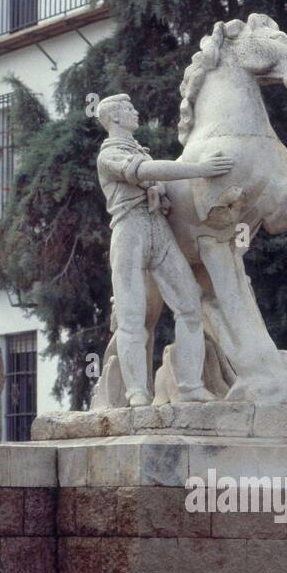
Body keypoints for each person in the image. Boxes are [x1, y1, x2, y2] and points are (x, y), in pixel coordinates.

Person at [95, 93, 232, 406]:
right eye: (129, 108)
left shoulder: (139, 150)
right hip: (130, 229)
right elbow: (145, 172)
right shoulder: (110, 154)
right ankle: (136, 393)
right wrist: (201, 169)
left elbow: (159, 180)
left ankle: (190, 387)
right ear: (115, 117)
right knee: (131, 317)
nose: (136, 111)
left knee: (190, 305)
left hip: (158, 228)